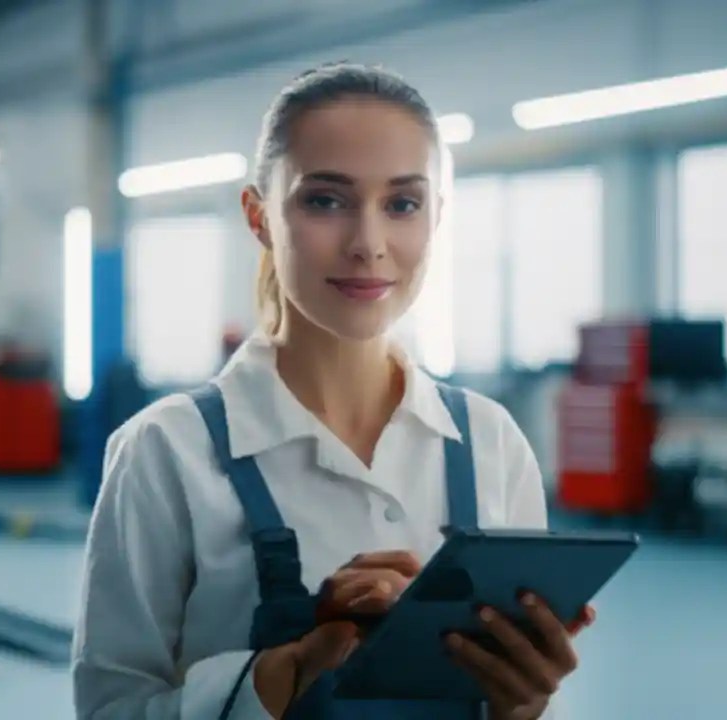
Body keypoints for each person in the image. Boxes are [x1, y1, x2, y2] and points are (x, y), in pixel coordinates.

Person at [72, 63, 595, 720]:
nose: (368, 245)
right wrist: (285, 672)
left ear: (436, 216)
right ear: (259, 216)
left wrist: (525, 705)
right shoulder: (164, 453)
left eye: (402, 205)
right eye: (325, 200)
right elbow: (111, 710)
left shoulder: (492, 444)